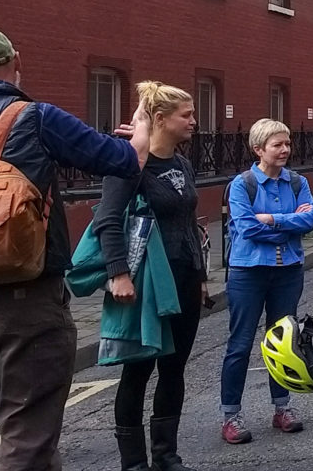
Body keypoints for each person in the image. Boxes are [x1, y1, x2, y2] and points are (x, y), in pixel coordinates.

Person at [0, 28, 152, 471]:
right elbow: (124, 161)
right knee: (27, 436)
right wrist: (142, 130)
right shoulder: (37, 118)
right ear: (17, 59)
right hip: (29, 299)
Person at [95, 82, 209, 471]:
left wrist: (202, 275)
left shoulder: (183, 163)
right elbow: (107, 221)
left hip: (185, 278)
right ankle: (134, 463)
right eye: (187, 115)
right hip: (145, 284)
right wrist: (118, 275)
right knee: (138, 371)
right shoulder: (131, 164)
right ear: (160, 119)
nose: (194, 121)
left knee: (174, 368)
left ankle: (166, 456)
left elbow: (189, 220)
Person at [219, 118, 313, 444]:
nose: (285, 150)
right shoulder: (241, 185)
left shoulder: (297, 183)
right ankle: (231, 415)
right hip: (248, 272)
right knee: (240, 344)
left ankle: (282, 408)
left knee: (283, 342)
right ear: (259, 149)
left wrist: (273, 218)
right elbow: (247, 228)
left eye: (287, 144)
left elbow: (312, 219)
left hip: (288, 271)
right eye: (278, 145)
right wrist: (291, 222)